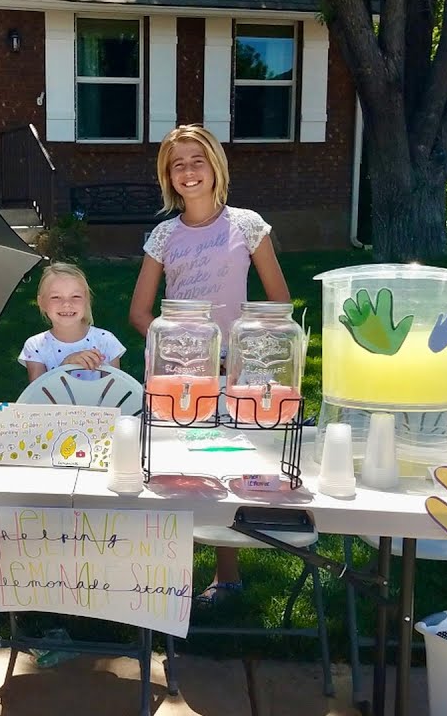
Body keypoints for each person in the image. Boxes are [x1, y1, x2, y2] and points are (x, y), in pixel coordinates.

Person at [128, 125, 292, 604]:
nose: (188, 171)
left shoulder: (247, 225)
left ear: (216, 166)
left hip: (237, 372)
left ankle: (227, 574)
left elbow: (279, 302)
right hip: (178, 375)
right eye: (177, 164)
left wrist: (241, 355)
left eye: (196, 160)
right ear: (167, 176)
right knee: (172, 467)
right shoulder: (163, 235)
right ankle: (164, 572)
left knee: (228, 465)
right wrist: (179, 352)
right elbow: (139, 313)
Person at [19, 262, 126, 382]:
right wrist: (65, 365)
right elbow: (37, 392)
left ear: (86, 300)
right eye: (56, 297)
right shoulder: (35, 346)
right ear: (41, 302)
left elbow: (115, 389)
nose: (66, 304)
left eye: (75, 296)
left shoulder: (106, 341)